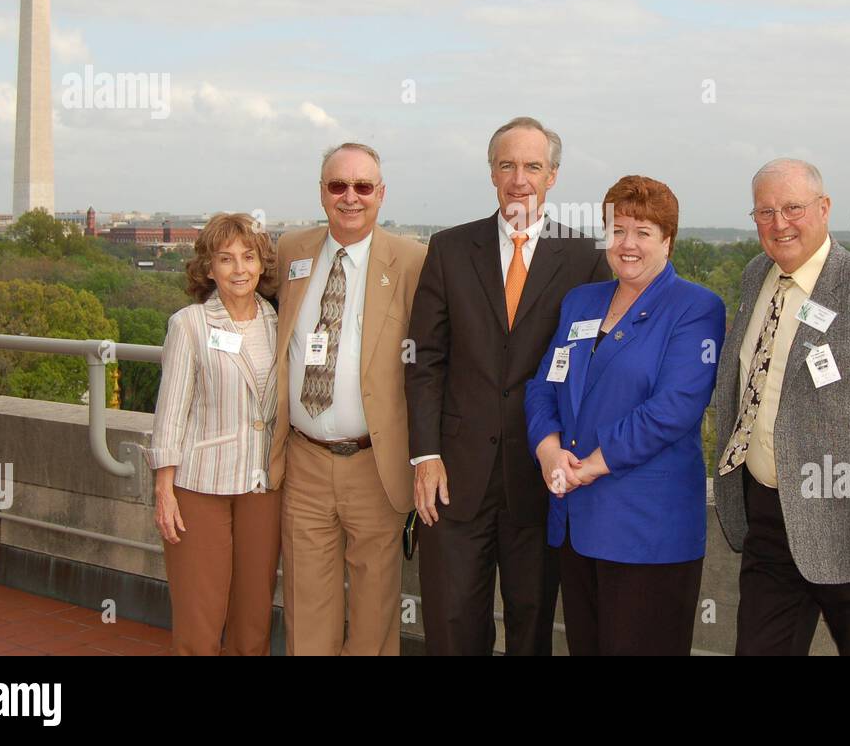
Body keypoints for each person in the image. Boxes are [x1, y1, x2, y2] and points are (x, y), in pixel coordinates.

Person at [713, 158, 850, 655]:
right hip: (767, 516)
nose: (779, 224)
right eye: (764, 212)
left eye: (793, 207)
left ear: (825, 208)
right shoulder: (756, 277)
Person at [406, 116, 609, 655]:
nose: (520, 178)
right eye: (507, 165)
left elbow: (594, 367)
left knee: (532, 625)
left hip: (541, 477)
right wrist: (424, 455)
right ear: (492, 173)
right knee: (452, 628)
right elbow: (424, 359)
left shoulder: (587, 257)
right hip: (454, 476)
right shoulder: (449, 249)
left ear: (553, 176)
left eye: (533, 166)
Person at [525, 175, 725, 655]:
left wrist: (588, 466)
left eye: (643, 232)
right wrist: (550, 452)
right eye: (617, 230)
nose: (627, 244)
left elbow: (673, 409)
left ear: (668, 240)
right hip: (576, 522)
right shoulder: (580, 302)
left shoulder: (696, 308)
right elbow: (542, 387)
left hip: (647, 532)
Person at [267, 143, 426, 655]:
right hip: (304, 459)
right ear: (322, 193)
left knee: (376, 611)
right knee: (306, 607)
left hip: (374, 464)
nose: (350, 197)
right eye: (338, 186)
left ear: (381, 194)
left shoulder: (412, 259)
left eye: (363, 187)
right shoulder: (291, 249)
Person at [146, 212, 280, 656]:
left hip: (262, 486)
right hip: (200, 486)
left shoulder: (280, 323)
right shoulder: (189, 325)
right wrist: (164, 489)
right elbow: (170, 412)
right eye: (226, 259)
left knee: (254, 618)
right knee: (200, 620)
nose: (239, 269)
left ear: (262, 264)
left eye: (248, 257)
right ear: (208, 268)